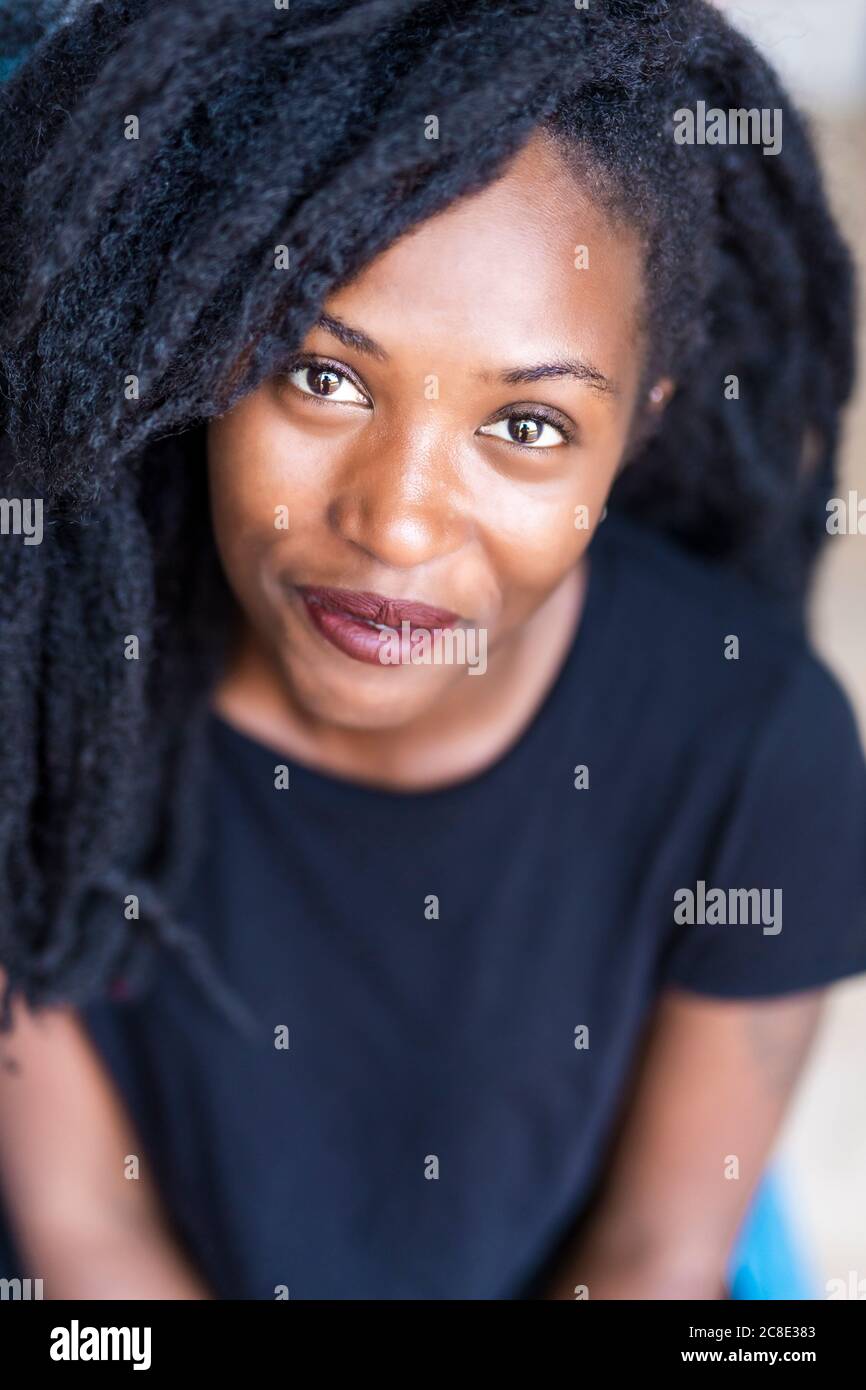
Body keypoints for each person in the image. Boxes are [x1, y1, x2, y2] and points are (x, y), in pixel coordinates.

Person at [0, 0, 864, 1301]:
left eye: (524, 425)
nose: (394, 520)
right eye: (322, 376)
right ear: (201, 351)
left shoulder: (758, 743)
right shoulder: (38, 704)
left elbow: (655, 1255)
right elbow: (86, 1242)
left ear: (637, 429)